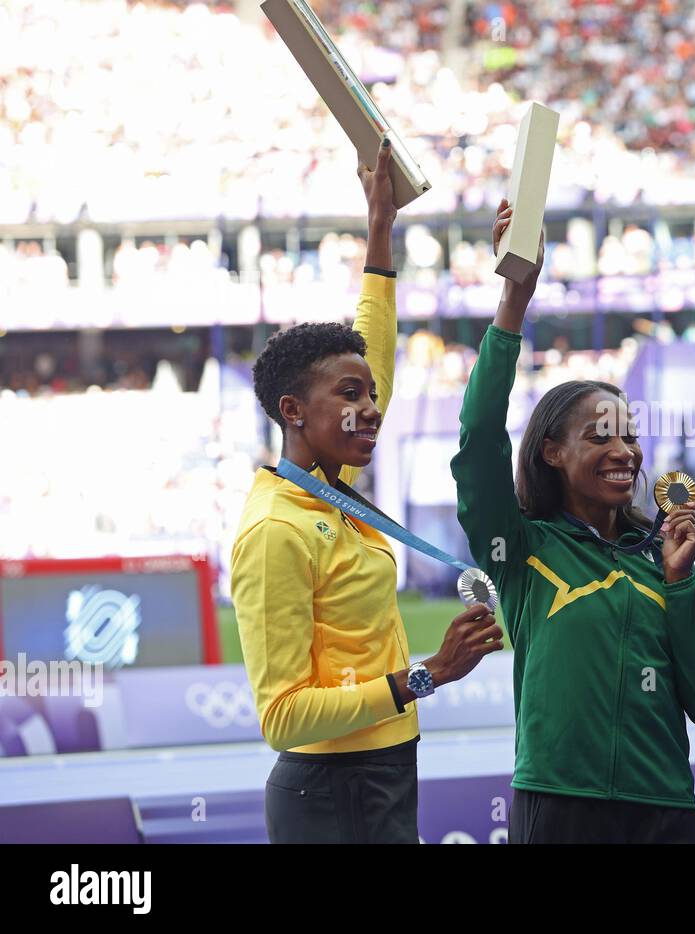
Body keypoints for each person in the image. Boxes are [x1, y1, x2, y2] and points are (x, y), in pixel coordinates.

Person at [231, 140, 503, 844]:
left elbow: (372, 344)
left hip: (383, 766)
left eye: (373, 395)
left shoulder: (332, 488)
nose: (372, 408)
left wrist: (380, 227)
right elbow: (282, 717)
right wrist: (427, 676)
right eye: (350, 396)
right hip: (327, 791)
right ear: (294, 412)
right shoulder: (275, 529)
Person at [450, 198, 695, 844]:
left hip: (665, 810)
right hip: (560, 806)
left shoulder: (659, 560)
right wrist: (514, 303)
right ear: (551, 450)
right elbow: (478, 438)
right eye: (600, 435)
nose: (624, 451)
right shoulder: (520, 549)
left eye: (630, 437)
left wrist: (681, 582)